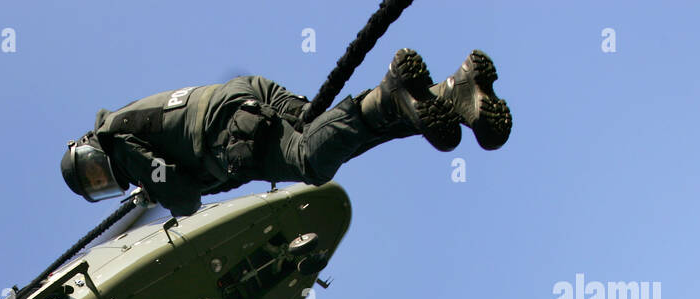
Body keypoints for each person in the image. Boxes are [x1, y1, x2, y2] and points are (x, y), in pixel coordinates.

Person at [61, 49, 511, 217]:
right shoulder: (126, 122)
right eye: (99, 187)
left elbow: (184, 196)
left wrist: (157, 193)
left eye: (93, 174)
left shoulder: (117, 143)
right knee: (335, 137)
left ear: (87, 148)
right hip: (248, 95)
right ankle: (454, 92)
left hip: (229, 128)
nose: (105, 178)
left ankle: (390, 95)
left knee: (309, 163)